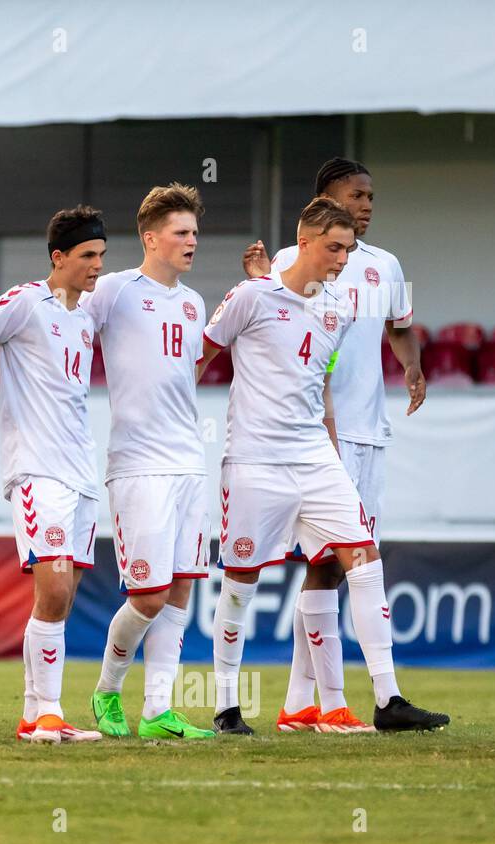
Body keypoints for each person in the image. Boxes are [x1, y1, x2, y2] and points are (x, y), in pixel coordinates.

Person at [196, 197, 448, 734]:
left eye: (348, 250)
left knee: (362, 554)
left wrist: (331, 447)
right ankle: (225, 705)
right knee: (241, 579)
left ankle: (388, 699)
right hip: (254, 458)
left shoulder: (339, 308)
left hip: (315, 455)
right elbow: (200, 357)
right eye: (334, 248)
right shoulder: (250, 295)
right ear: (304, 241)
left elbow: (321, 387)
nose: (341, 258)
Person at [242, 158, 427, 733]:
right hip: (317, 432)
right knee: (338, 562)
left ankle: (303, 702)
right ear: (325, 199)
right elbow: (267, 318)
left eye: (372, 195)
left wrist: (413, 368)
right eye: (356, 194)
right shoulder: (292, 262)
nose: (367, 204)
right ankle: (336, 700)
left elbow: (399, 326)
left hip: (370, 431)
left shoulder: (388, 265)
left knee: (337, 568)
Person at [83, 184, 216, 740]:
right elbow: (63, 330)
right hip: (138, 465)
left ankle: (159, 710)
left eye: (194, 232)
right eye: (181, 233)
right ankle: (107, 690)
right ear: (150, 237)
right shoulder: (112, 290)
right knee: (149, 593)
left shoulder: (193, 303)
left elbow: (188, 373)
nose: (191, 242)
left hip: (189, 461)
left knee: (181, 588)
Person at [0, 205, 107, 744]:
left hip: (82, 471)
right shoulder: (23, 302)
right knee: (53, 585)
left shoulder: (85, 316)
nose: (96, 266)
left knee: (64, 593)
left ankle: (36, 714)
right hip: (36, 467)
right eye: (87, 255)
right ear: (58, 257)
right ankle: (49, 709)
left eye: (102, 255)